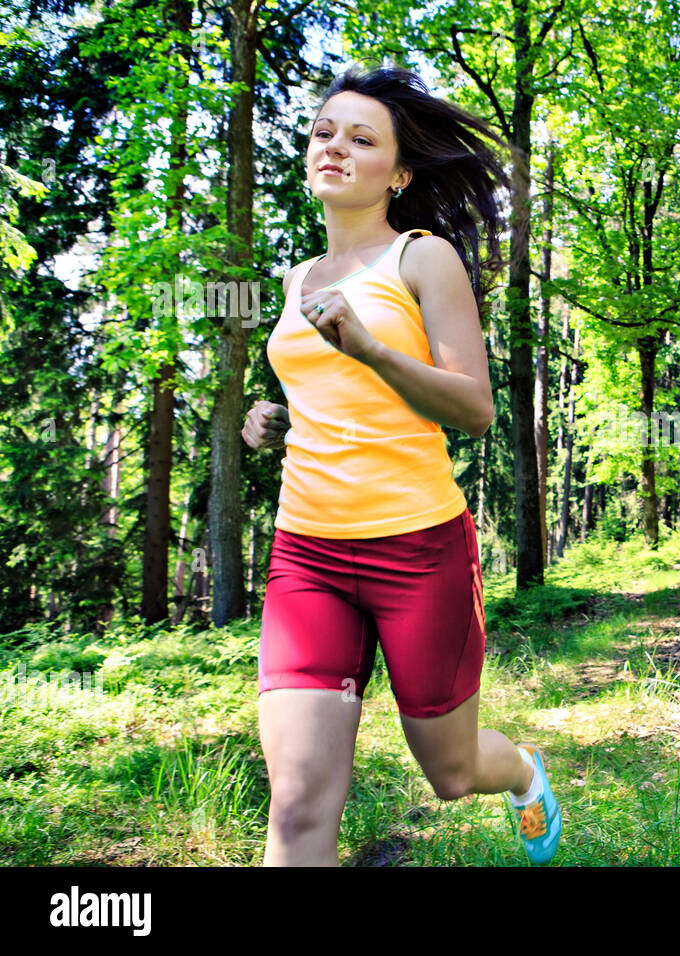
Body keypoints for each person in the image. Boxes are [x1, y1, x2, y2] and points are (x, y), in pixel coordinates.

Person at [241, 65, 560, 866]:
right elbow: (330, 395)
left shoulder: (423, 260)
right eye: (323, 132)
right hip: (306, 552)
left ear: (399, 173)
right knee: (299, 799)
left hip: (416, 548)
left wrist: (372, 347)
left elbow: (474, 410)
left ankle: (520, 770)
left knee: (451, 772)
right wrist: (277, 421)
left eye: (361, 138)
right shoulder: (295, 280)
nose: (335, 148)